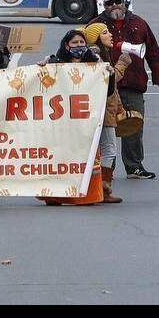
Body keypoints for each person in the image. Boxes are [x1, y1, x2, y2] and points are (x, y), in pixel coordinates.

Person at [90, 0, 159, 180]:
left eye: (117, 2)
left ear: (125, 3)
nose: (114, 5)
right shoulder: (95, 26)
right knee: (104, 130)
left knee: (134, 125)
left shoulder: (139, 24)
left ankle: (134, 167)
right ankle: (107, 169)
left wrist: (158, 75)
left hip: (133, 83)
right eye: (109, 3)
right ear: (104, 6)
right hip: (104, 88)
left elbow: (153, 50)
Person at [39, 29, 111, 206]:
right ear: (66, 45)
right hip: (62, 120)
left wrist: (109, 74)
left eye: (81, 42)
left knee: (85, 158)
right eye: (74, 43)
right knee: (61, 157)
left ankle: (87, 195)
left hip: (85, 121)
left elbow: (107, 92)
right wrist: (41, 70)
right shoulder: (55, 62)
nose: (79, 46)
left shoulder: (95, 63)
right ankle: (54, 195)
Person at [84, 22, 133, 203]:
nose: (110, 35)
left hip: (103, 109)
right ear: (97, 38)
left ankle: (99, 187)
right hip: (101, 111)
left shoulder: (99, 54)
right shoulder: (97, 56)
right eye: (105, 32)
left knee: (101, 150)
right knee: (109, 150)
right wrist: (122, 64)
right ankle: (104, 188)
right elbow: (109, 83)